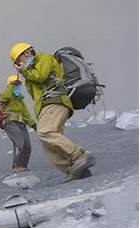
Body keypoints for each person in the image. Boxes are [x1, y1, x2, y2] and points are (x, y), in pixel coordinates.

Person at [10, 42, 95, 179]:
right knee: (48, 144)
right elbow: (36, 95)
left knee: (46, 132)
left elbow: (41, 75)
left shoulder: (44, 58)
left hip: (55, 101)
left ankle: (79, 156)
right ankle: (73, 169)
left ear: (28, 52)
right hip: (45, 107)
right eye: (18, 61)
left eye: (21, 58)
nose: (22, 62)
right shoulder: (28, 75)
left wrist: (25, 70)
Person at [0, 75, 36, 173]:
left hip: (20, 123)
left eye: (19, 84)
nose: (18, 86)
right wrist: (12, 85)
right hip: (10, 122)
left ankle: (22, 166)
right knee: (21, 143)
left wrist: (32, 124)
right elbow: (5, 96)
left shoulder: (20, 100)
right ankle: (18, 166)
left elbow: (26, 113)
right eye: (16, 84)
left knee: (28, 146)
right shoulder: (6, 96)